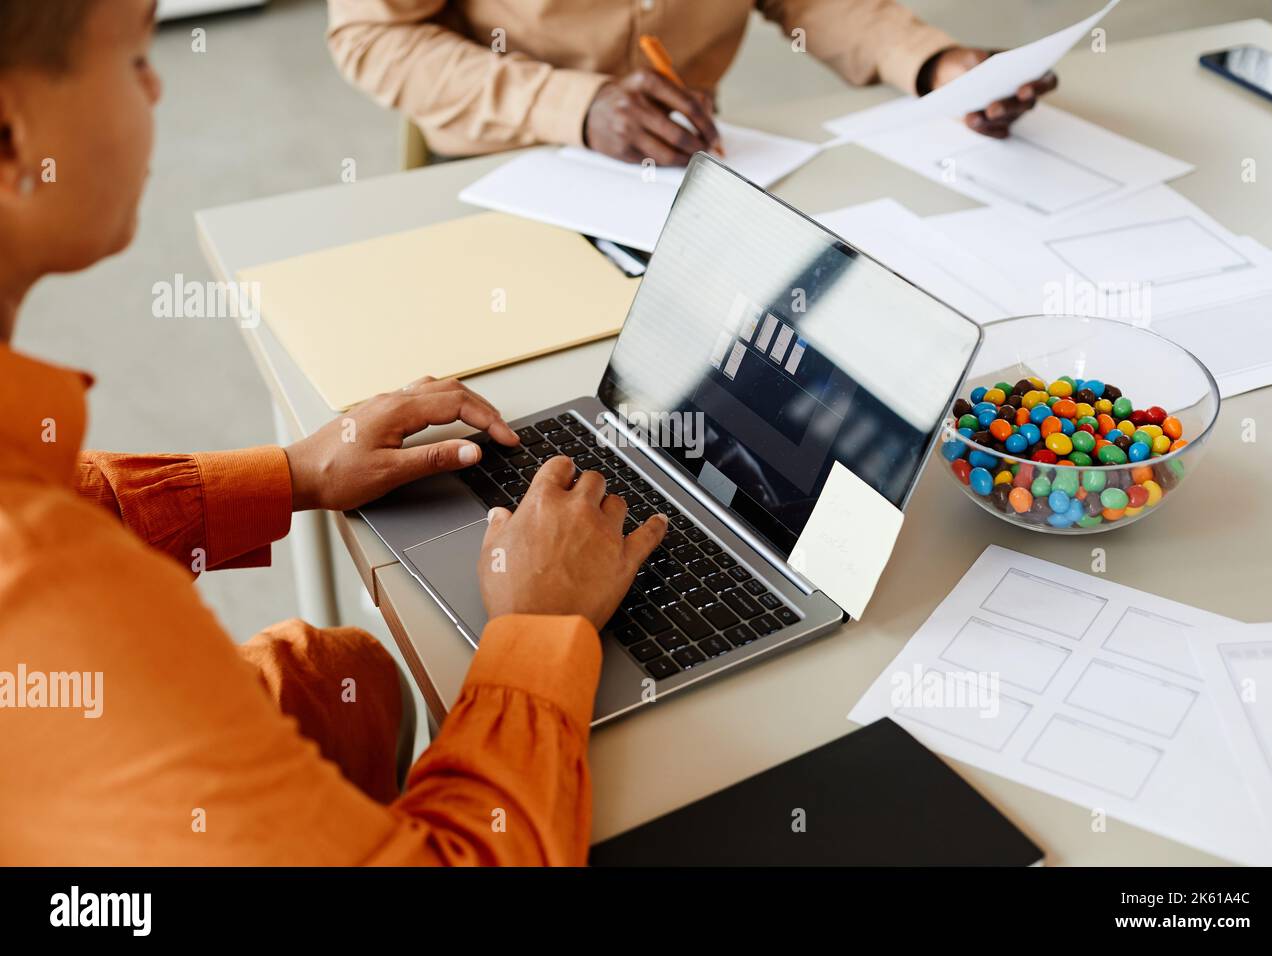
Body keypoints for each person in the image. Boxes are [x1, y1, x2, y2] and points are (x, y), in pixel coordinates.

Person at [0, 0, 665, 865]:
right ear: (14, 142)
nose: (158, 84)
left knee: (337, 676)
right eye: (133, 61)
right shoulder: (55, 609)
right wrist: (536, 630)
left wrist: (296, 471)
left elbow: (59, 497)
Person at [326, 0, 1059, 164]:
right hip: (498, 155)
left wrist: (933, 65)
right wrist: (573, 105)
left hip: (682, 158)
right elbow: (370, 36)